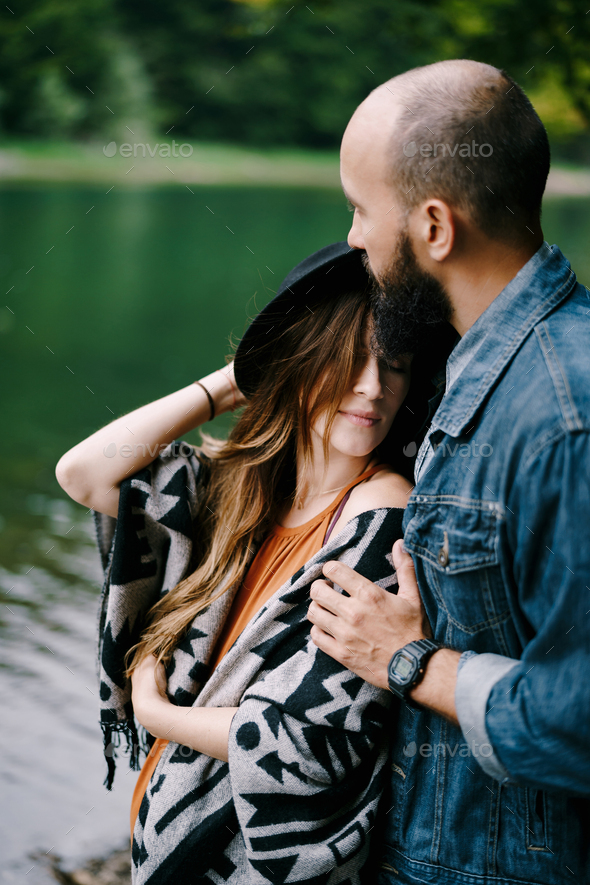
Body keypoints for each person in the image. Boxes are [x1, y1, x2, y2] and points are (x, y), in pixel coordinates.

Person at [56, 242, 448, 884]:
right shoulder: (240, 490)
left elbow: (312, 741)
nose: (373, 389)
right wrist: (233, 382)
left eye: (394, 367)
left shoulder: (379, 516)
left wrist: (160, 718)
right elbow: (86, 473)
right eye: (345, 364)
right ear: (299, 363)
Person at [307, 60, 590, 884]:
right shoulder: (477, 364)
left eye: (363, 208)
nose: (355, 236)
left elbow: (577, 720)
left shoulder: (564, 419)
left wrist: (408, 659)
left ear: (434, 226)